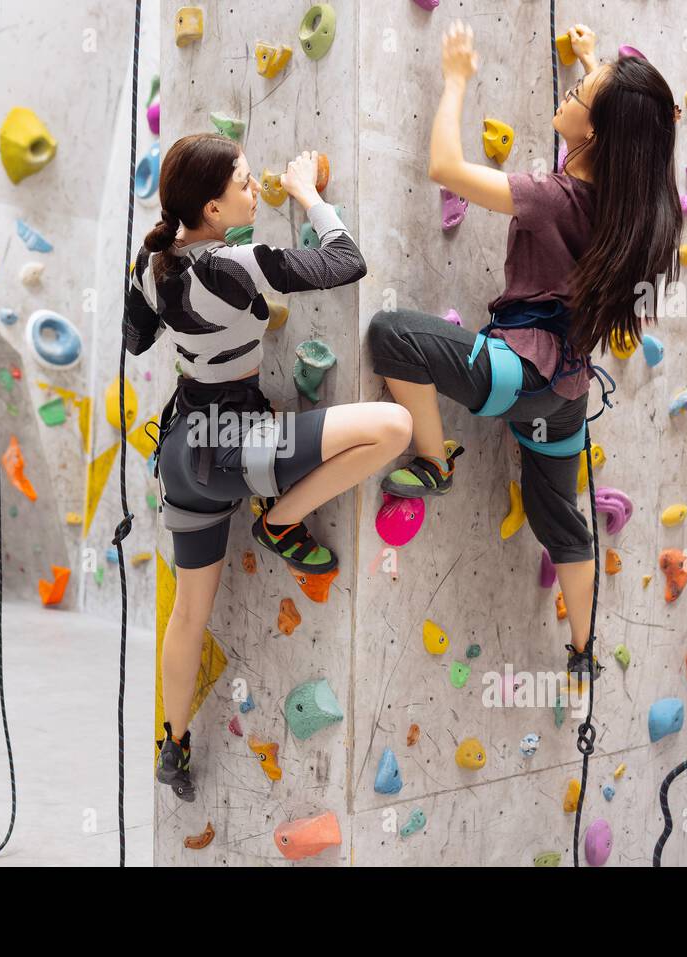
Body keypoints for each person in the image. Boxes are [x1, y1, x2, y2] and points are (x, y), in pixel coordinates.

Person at [367, 22, 683, 678]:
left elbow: (445, 169)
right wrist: (597, 64)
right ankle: (581, 653)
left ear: (594, 133)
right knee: (558, 520)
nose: (566, 92)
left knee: (391, 335)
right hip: (564, 398)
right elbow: (618, 130)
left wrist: (454, 77)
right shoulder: (631, 205)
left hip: (517, 372)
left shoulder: (547, 198)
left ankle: (434, 460)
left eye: (578, 92)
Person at [124, 133, 412, 801]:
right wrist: (309, 192)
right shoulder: (239, 264)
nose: (259, 191)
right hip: (233, 444)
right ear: (214, 210)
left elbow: (137, 336)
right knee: (393, 426)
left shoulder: (150, 262)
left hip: (181, 452)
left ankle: (173, 743)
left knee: (188, 616)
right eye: (248, 183)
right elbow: (347, 260)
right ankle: (280, 523)